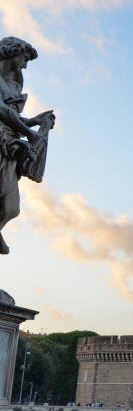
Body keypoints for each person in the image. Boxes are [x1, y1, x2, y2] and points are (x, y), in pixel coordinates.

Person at [0, 36, 55, 255]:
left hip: (9, 144)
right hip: (3, 140)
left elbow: (11, 114)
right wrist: (29, 134)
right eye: (24, 59)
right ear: (12, 52)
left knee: (11, 208)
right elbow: (2, 111)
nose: (24, 65)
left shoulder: (14, 84)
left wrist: (34, 122)